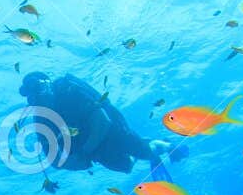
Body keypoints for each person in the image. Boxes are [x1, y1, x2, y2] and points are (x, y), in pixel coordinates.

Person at [17, 71, 178, 174]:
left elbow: (103, 121)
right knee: (126, 167)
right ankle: (146, 147)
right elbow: (52, 157)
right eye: (32, 95)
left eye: (39, 88)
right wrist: (70, 163)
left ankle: (165, 146)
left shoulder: (69, 91)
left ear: (48, 84)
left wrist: (84, 152)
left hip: (112, 129)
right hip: (88, 146)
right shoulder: (41, 118)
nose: (38, 96)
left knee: (143, 152)